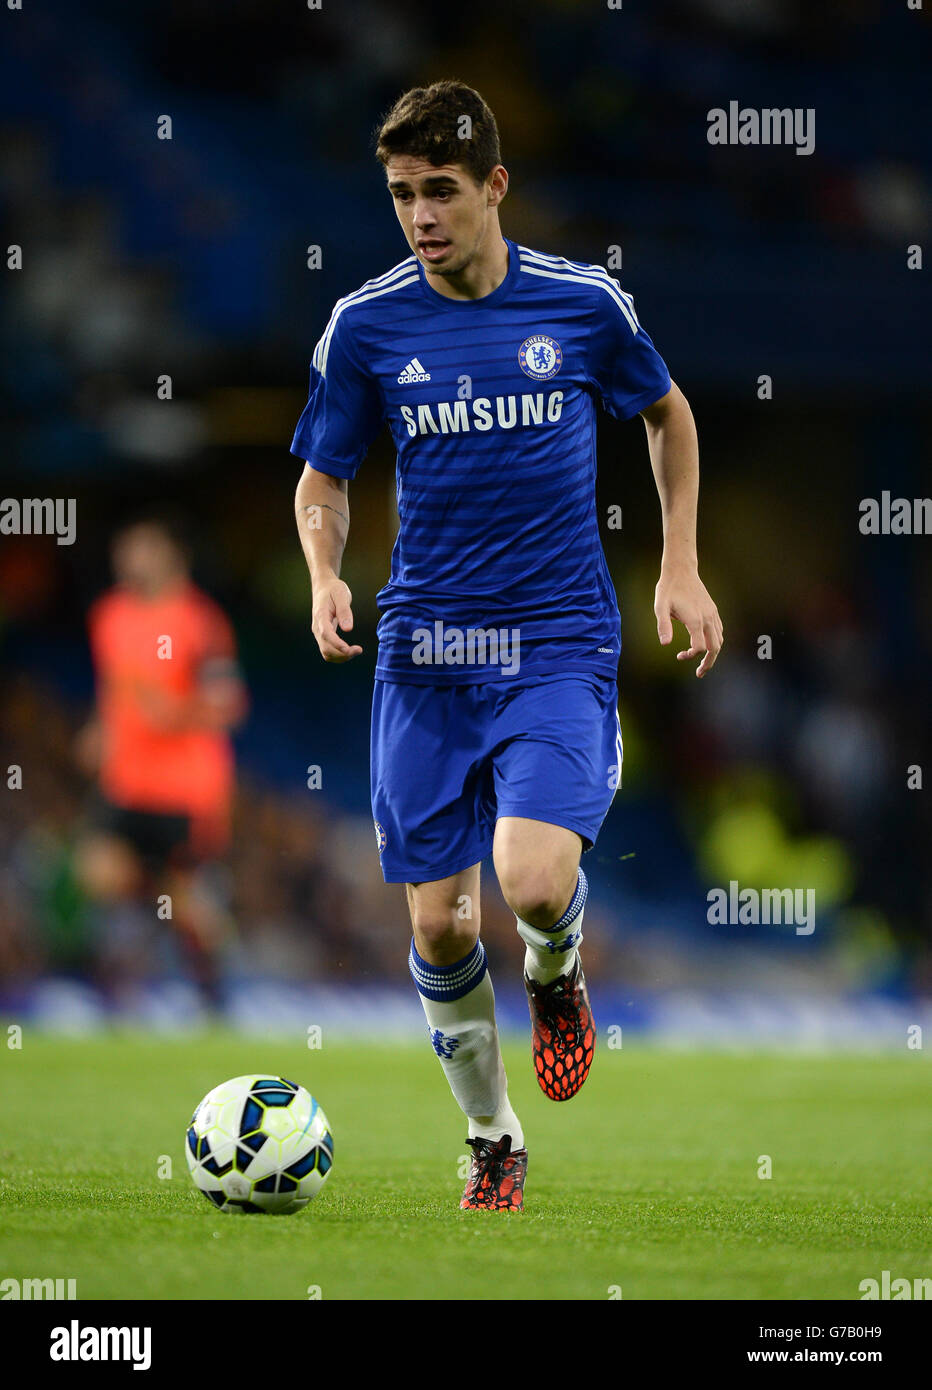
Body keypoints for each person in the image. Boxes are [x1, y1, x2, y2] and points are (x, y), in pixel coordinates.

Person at [291, 80, 722, 1210]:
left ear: (492, 188)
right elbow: (322, 477)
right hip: (424, 655)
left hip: (554, 646)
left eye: (439, 191)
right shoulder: (365, 325)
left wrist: (676, 565)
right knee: (436, 920)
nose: (419, 215)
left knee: (529, 882)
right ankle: (492, 1138)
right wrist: (325, 573)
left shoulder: (583, 305)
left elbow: (665, 414)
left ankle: (558, 967)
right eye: (398, 195)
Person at [75, 516, 247, 1007]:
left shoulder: (200, 621)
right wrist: (100, 729)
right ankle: (148, 944)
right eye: (126, 549)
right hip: (126, 781)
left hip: (185, 786)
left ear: (173, 555)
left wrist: (173, 713)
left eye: (143, 549)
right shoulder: (109, 615)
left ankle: (216, 992)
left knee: (187, 901)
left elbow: (227, 703)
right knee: (97, 872)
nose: (131, 560)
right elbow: (114, 688)